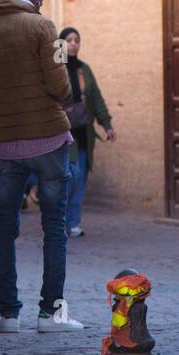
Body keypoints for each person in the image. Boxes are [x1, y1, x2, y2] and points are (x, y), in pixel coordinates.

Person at [0, 0, 84, 334]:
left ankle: (8, 315)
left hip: (7, 143)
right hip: (49, 139)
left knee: (5, 226)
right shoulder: (43, 28)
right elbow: (60, 85)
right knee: (53, 226)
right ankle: (50, 314)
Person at [58, 27, 116, 237]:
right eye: (69, 40)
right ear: (61, 43)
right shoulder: (55, 68)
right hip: (63, 135)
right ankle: (59, 222)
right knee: (69, 178)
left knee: (80, 179)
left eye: (77, 40)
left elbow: (96, 98)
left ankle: (72, 223)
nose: (73, 44)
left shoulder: (85, 70)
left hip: (84, 133)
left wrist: (107, 124)